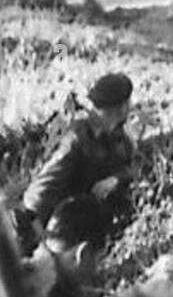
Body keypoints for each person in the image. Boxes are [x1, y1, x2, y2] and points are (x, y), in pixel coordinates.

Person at [21, 72, 135, 230]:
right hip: (60, 228)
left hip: (90, 222)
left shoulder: (119, 136)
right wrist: (43, 236)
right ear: (121, 108)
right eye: (128, 102)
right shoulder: (76, 139)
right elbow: (38, 194)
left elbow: (129, 168)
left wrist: (115, 180)